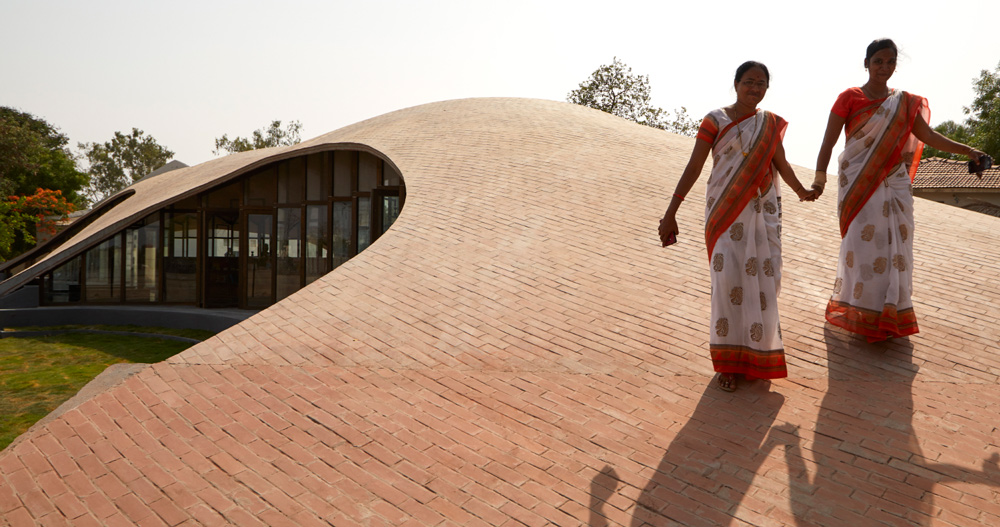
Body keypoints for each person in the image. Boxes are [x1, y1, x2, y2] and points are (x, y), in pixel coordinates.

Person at [812, 39, 986, 342]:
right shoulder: (849, 97)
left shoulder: (904, 102)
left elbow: (928, 135)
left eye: (890, 62)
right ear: (866, 63)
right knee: (864, 248)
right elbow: (828, 142)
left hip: (895, 182)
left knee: (895, 249)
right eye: (878, 61)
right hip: (859, 182)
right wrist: (819, 179)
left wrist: (967, 149)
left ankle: (891, 313)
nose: (884, 67)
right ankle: (862, 312)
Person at [659, 61, 818, 392]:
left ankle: (756, 356)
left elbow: (781, 163)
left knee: (763, 283)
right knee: (728, 283)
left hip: (761, 215)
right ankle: (728, 364)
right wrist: (671, 211)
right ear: (735, 84)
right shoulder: (715, 120)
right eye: (749, 82)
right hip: (724, 213)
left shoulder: (769, 123)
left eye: (761, 84)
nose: (755, 88)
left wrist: (801, 190)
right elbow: (694, 166)